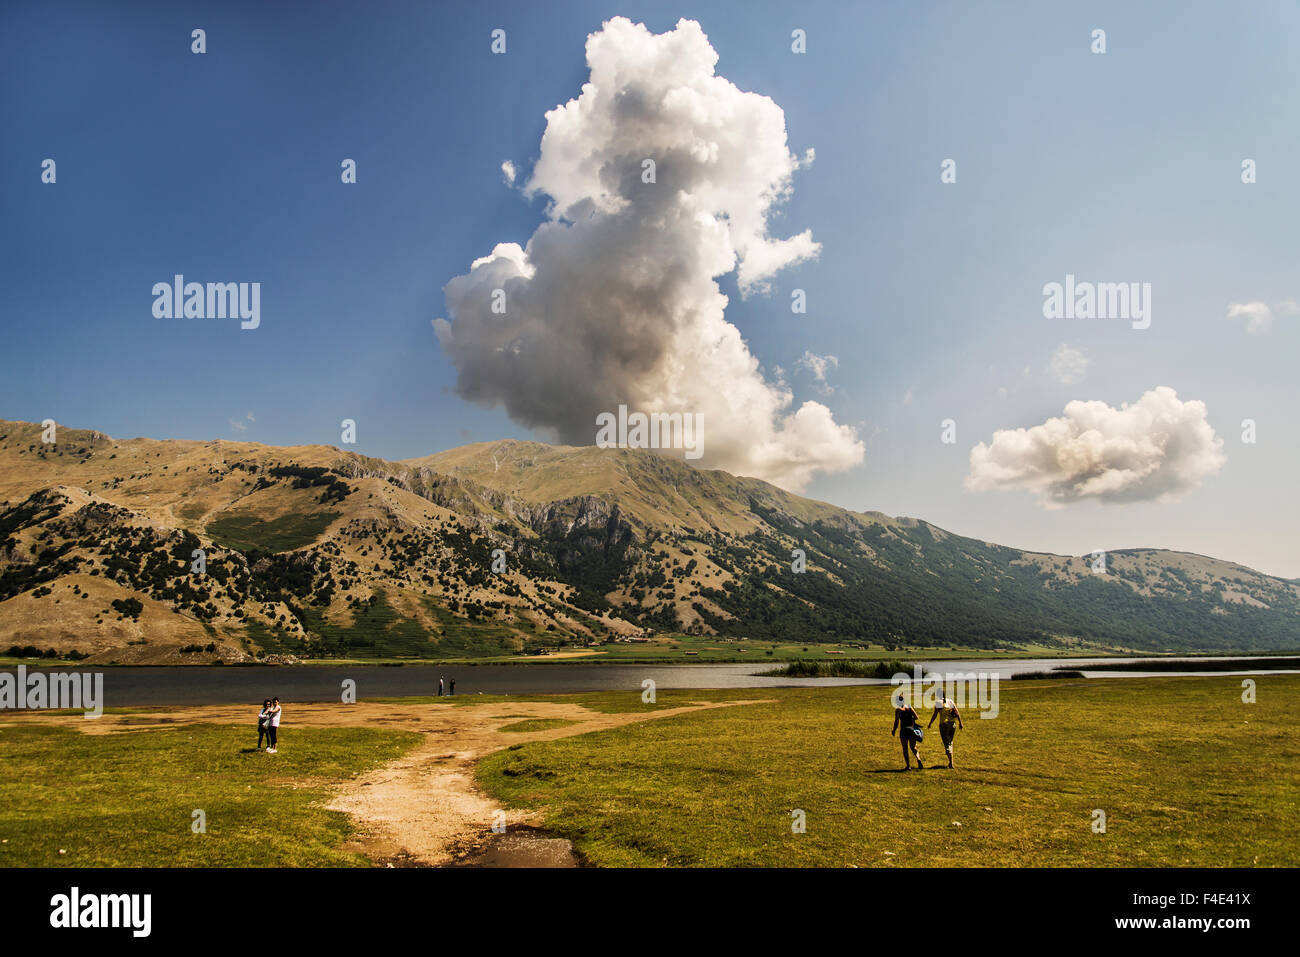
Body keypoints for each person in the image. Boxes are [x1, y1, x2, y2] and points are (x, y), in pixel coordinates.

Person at [928, 693, 964, 769]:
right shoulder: (950, 701)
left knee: (947, 743)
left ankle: (951, 763)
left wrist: (930, 723)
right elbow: (957, 713)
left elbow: (935, 715)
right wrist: (960, 723)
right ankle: (951, 762)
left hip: (944, 724)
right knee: (950, 742)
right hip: (953, 724)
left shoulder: (938, 703)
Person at [891, 694, 923, 770]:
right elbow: (916, 717)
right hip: (912, 730)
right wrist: (911, 719)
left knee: (905, 748)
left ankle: (908, 766)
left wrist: (894, 730)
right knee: (913, 747)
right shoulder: (909, 707)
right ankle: (918, 758)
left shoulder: (898, 710)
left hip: (904, 730)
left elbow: (896, 722)